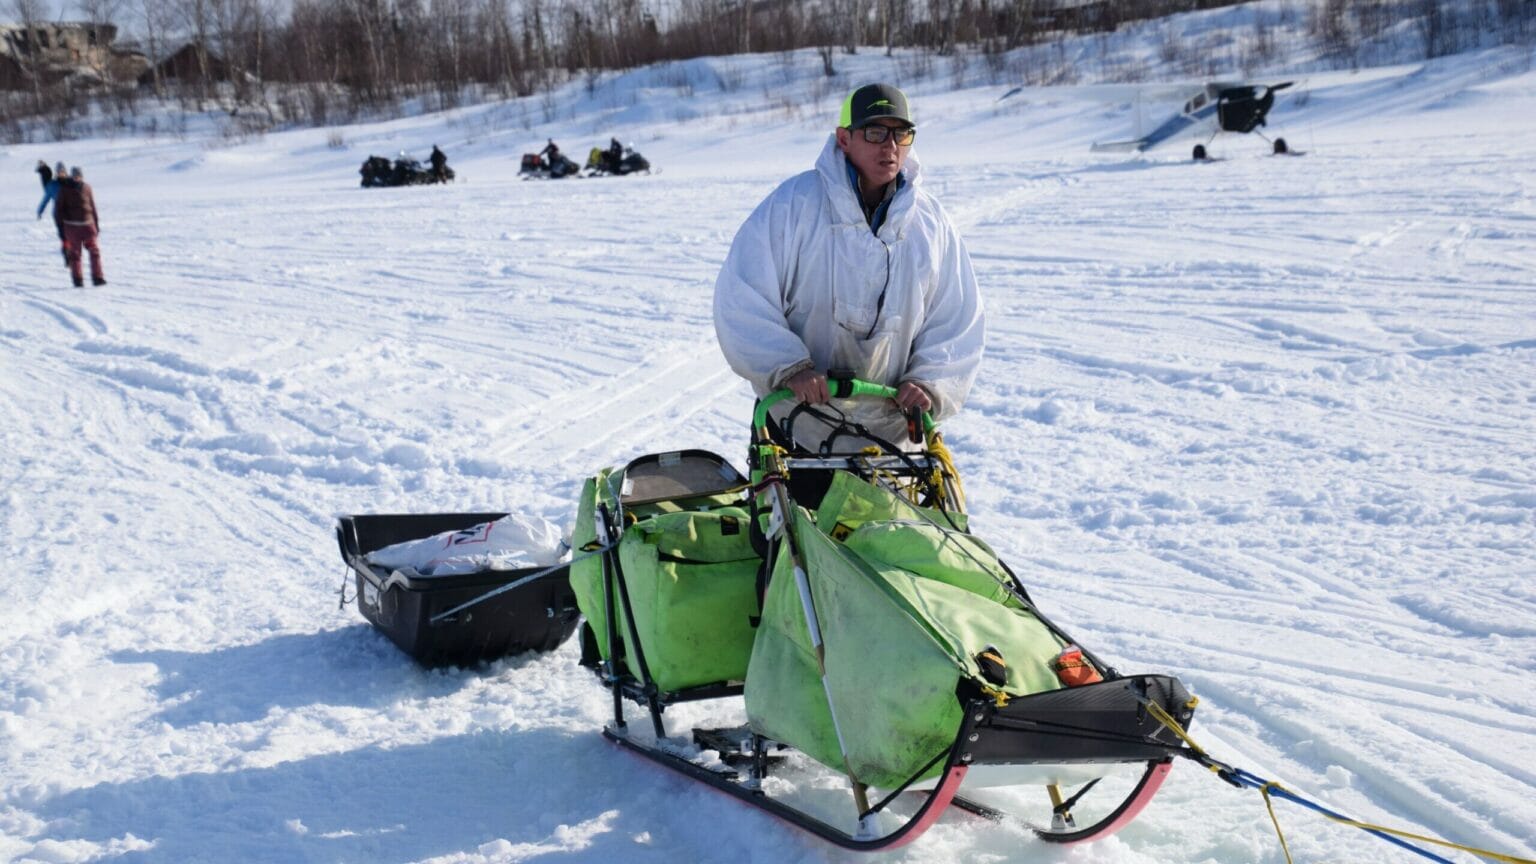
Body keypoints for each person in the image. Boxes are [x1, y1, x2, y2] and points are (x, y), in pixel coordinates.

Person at [713, 83, 984, 459]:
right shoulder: (793, 206)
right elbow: (742, 295)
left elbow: (955, 317)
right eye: (875, 132)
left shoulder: (930, 223)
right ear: (844, 138)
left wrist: (929, 382)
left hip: (893, 438)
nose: (889, 146)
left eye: (900, 133)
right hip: (798, 424)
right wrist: (789, 368)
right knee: (797, 520)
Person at [54, 166, 105, 288]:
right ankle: (78, 279)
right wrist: (61, 228)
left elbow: (92, 206)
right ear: (71, 176)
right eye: (75, 175)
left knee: (94, 251)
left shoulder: (87, 187)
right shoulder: (65, 189)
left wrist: (96, 224)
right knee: (75, 254)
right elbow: (58, 210)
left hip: (88, 225)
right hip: (72, 227)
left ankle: (97, 277)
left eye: (79, 175)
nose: (77, 177)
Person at [37, 161, 68, 265]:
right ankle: (66, 255)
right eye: (59, 172)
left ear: (65, 172)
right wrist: (40, 211)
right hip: (58, 214)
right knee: (64, 235)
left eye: (63, 171)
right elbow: (45, 200)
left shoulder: (71, 183)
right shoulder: (52, 185)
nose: (61, 173)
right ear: (56, 173)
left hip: (71, 213)